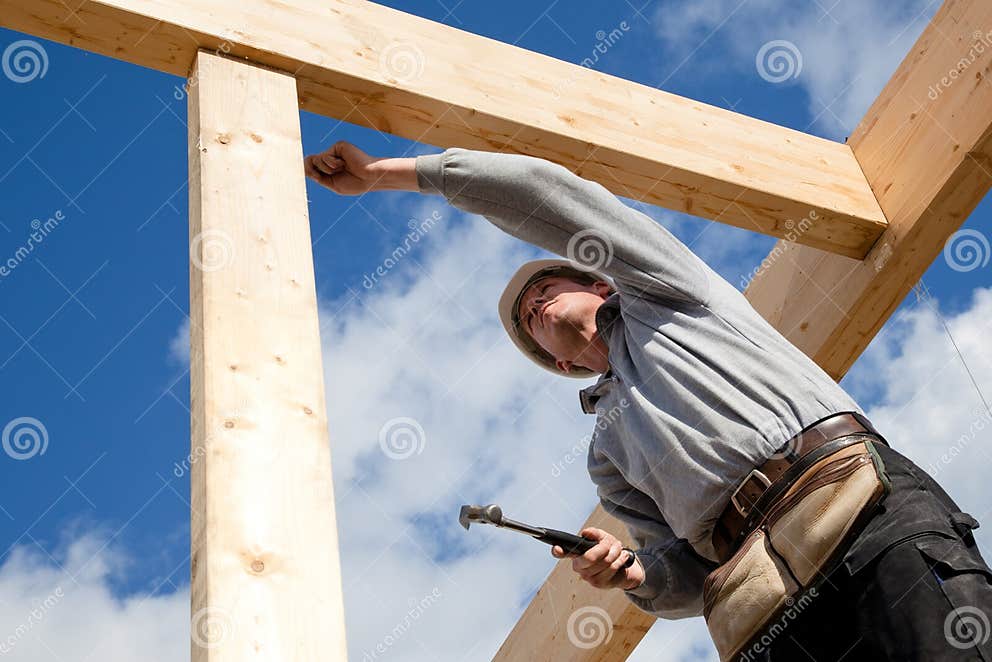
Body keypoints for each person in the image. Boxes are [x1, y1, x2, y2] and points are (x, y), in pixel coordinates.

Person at [305, 141, 992, 660]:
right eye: (527, 324)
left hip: (860, 513)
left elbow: (543, 192)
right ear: (562, 364)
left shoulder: (667, 294)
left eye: (545, 288)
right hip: (771, 612)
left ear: (602, 283)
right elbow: (686, 575)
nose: (533, 307)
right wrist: (633, 572)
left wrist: (390, 176)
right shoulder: (609, 452)